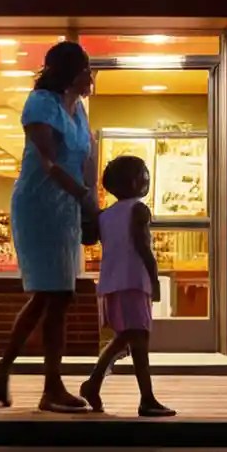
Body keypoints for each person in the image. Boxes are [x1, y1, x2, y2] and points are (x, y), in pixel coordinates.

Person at [0, 41, 98, 414]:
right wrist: (83, 196)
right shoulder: (41, 105)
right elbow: (48, 163)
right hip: (37, 206)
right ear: (69, 72)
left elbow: (87, 156)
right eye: (86, 68)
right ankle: (48, 386)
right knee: (54, 295)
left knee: (57, 296)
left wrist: (90, 205)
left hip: (66, 209)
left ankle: (6, 369)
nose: (91, 76)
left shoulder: (78, 110)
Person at [78, 155, 175, 418]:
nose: (147, 177)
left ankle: (95, 384)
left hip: (111, 282)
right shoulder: (139, 210)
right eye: (144, 173)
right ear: (135, 182)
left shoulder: (104, 215)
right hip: (134, 280)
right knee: (137, 338)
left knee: (128, 337)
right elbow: (144, 248)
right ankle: (145, 399)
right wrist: (154, 279)